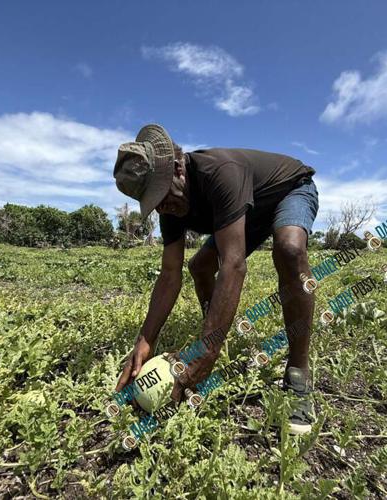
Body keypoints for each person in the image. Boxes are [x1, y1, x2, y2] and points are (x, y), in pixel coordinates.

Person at [112, 124, 319, 434]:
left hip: (288, 191)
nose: (164, 207)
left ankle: (299, 371)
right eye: (154, 203)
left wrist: (207, 353)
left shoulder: (220, 173)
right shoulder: (168, 208)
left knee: (289, 249)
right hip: (246, 214)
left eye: (163, 196)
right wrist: (145, 340)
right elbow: (170, 274)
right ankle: (213, 327)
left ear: (179, 169)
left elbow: (233, 265)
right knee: (199, 267)